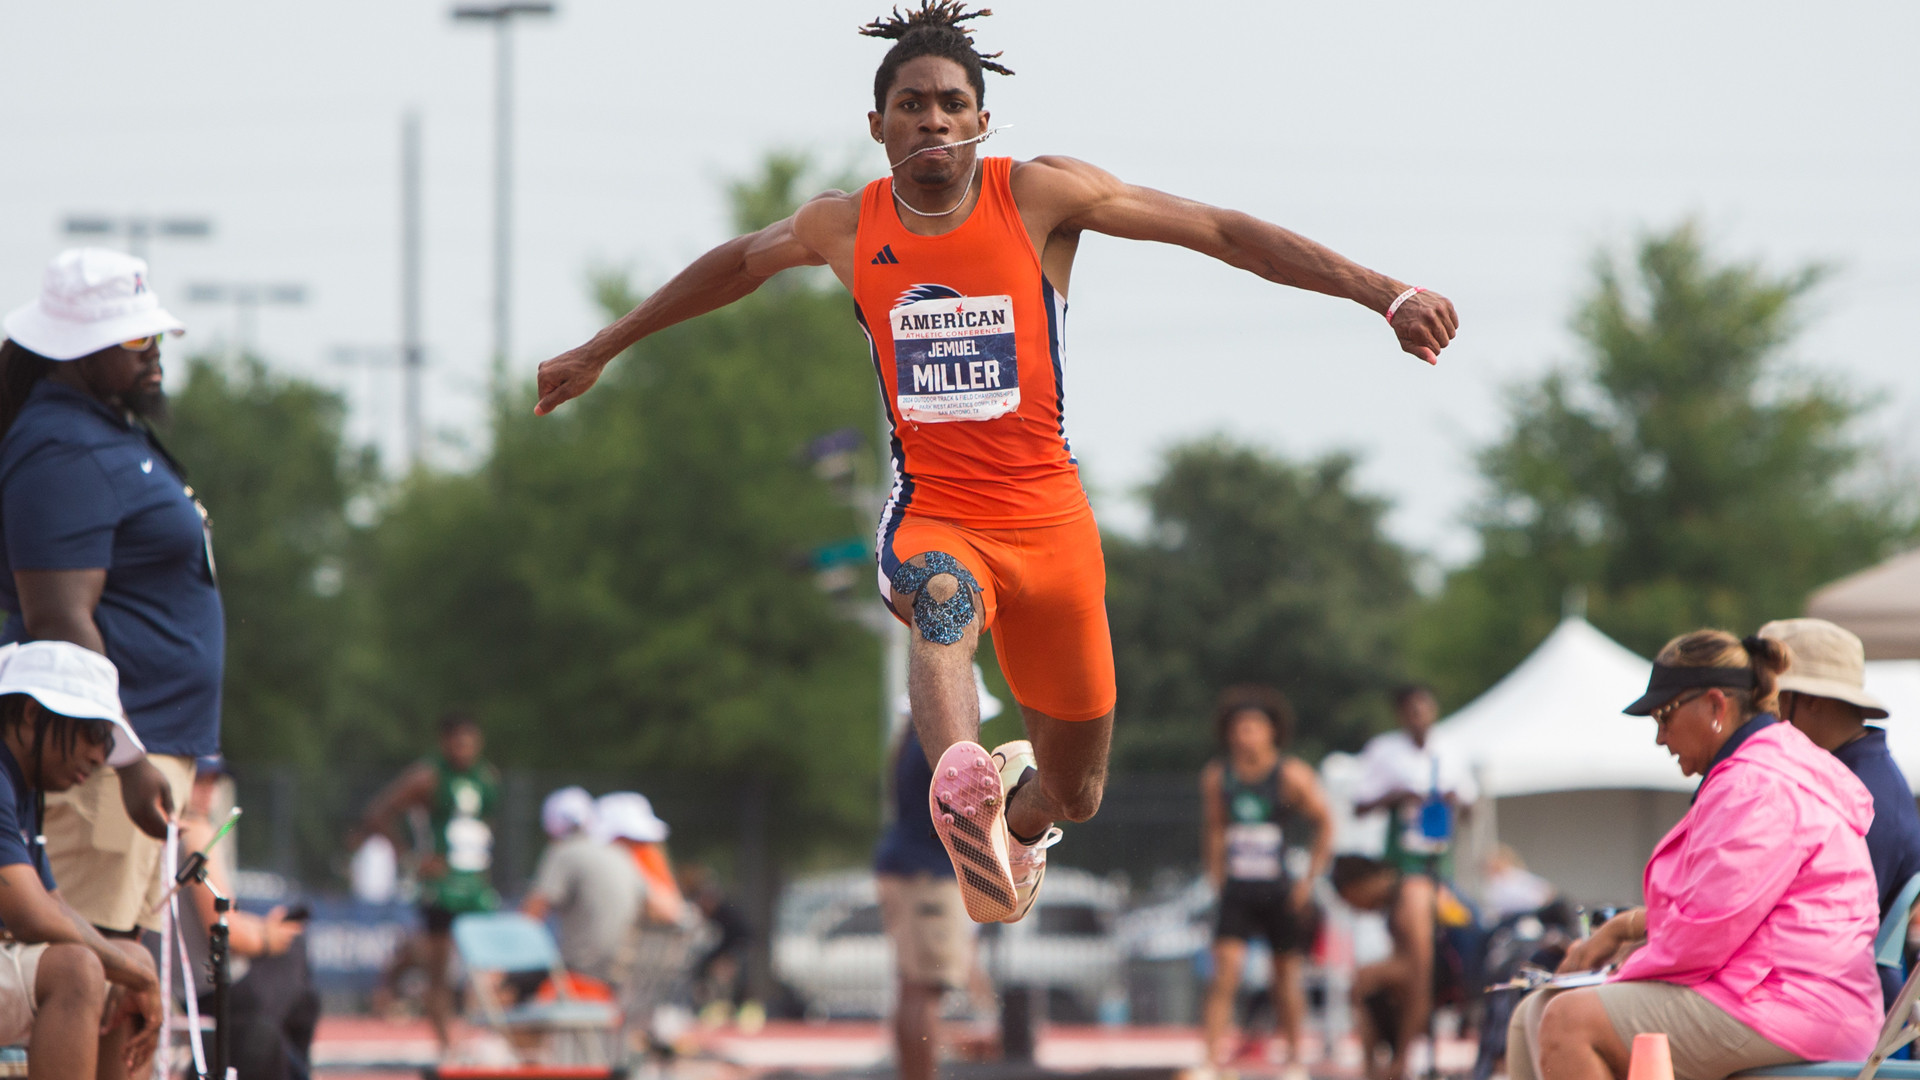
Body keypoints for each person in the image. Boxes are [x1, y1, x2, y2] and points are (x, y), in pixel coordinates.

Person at [531, 2, 1459, 924]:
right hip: (937, 512)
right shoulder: (844, 226)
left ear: (981, 118)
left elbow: (1221, 232)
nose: (932, 120)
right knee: (941, 601)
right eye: (911, 104)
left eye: (950, 103)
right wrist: (600, 349)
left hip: (1054, 528)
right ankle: (961, 784)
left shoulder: (1043, 197)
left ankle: (1016, 818)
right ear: (877, 125)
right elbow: (737, 264)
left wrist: (1385, 292)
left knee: (1078, 792)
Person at [1508, 630, 1881, 1080]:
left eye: (1664, 715)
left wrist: (1621, 970)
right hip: (1782, 995)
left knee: (1568, 1020)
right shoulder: (1766, 768)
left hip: (1794, 1005)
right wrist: (1626, 940)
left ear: (1715, 705)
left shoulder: (1757, 784)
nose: (1660, 737)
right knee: (1532, 1013)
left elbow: (1707, 931)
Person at [0, 248, 221, 937]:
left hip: (136, 746)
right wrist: (123, 758)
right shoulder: (63, 446)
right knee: (89, 966)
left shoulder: (102, 429)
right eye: (132, 338)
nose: (153, 350)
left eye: (153, 332)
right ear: (76, 347)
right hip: (98, 763)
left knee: (124, 971)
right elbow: (58, 616)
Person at [0, 640, 162, 1078]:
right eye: (95, 733)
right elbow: (32, 918)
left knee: (131, 958)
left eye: (108, 741)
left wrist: (134, 969)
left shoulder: (23, 789)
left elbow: (53, 905)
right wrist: (134, 975)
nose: (100, 756)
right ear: (32, 713)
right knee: (78, 969)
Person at [1759, 617, 1920, 1007]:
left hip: (1833, 1005)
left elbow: (1816, 935)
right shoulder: (1856, 778)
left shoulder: (1859, 796)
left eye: (1767, 699)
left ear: (1811, 700)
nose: (1758, 716)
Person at [1199, 685, 1333, 1079]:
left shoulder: (1291, 775)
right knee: (1225, 971)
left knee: (1285, 976)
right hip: (1238, 887)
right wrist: (1217, 877)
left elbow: (1325, 823)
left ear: (1271, 731)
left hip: (1278, 888)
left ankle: (1294, 1059)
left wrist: (1309, 880)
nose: (1246, 737)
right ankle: (1210, 1061)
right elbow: (1215, 828)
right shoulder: (1218, 776)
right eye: (1239, 729)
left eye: (1254, 727)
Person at [874, 667, 1000, 1080]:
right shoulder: (941, 750)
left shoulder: (912, 743)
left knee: (912, 986)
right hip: (927, 875)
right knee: (926, 989)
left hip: (909, 868)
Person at [351, 713, 500, 1052]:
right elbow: (378, 813)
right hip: (442, 883)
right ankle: (446, 1043)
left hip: (474, 880)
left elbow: (483, 825)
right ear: (445, 742)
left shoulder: (487, 778)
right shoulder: (427, 777)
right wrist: (412, 858)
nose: (464, 750)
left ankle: (406, 962)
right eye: (458, 743)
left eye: (470, 743)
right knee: (439, 966)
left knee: (483, 960)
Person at [180, 757, 319, 1080]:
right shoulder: (196, 833)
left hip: (196, 981)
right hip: (208, 986)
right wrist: (268, 937)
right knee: (296, 975)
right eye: (200, 780)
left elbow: (223, 918)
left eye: (213, 782)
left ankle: (276, 1059)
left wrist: (265, 929)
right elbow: (225, 930)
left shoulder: (168, 831)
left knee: (295, 1005)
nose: (208, 791)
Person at [1332, 854, 1480, 1080]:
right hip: (1447, 972)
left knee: (1366, 979)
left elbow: (1422, 979)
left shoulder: (1413, 895)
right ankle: (1373, 1069)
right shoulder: (1399, 903)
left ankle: (1379, 1069)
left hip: (1465, 975)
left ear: (1360, 885)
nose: (1357, 910)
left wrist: (1402, 1058)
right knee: (1366, 981)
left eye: (1352, 901)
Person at [521, 786, 646, 986]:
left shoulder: (563, 852)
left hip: (578, 974)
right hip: (618, 972)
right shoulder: (621, 854)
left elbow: (530, 917)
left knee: (505, 984)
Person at [1353, 684, 1476, 878]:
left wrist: (1450, 800)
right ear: (1400, 714)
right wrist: (1399, 797)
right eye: (1413, 712)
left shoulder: (1451, 748)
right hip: (1399, 853)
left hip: (1439, 851)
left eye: (1426, 709)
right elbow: (1360, 807)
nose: (1420, 717)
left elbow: (1469, 807)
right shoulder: (1383, 750)